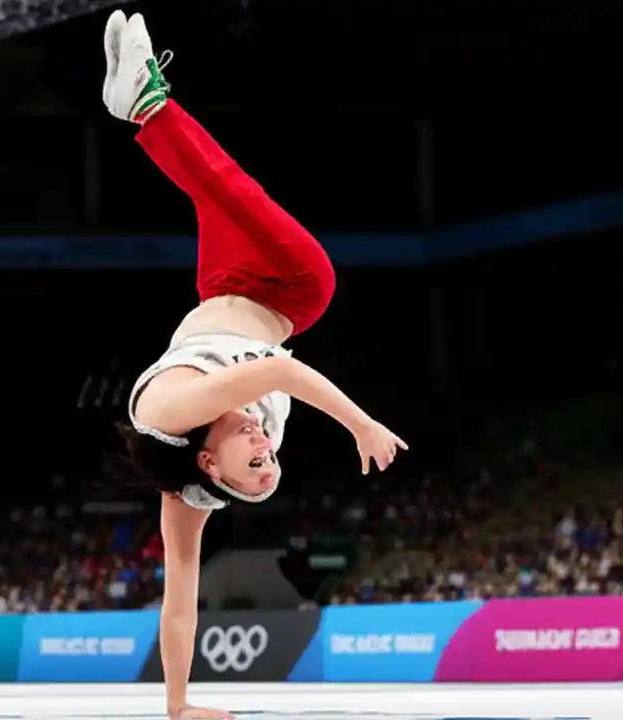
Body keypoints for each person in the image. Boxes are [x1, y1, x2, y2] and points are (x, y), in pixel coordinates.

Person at [101, 11, 408, 720]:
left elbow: (179, 591)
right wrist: (182, 706)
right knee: (227, 189)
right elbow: (277, 370)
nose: (265, 449)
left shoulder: (169, 419)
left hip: (228, 286)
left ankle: (145, 103)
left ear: (210, 468)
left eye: (253, 464)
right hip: (296, 291)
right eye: (271, 463)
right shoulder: (215, 461)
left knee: (221, 188)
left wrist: (361, 426)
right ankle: (147, 103)